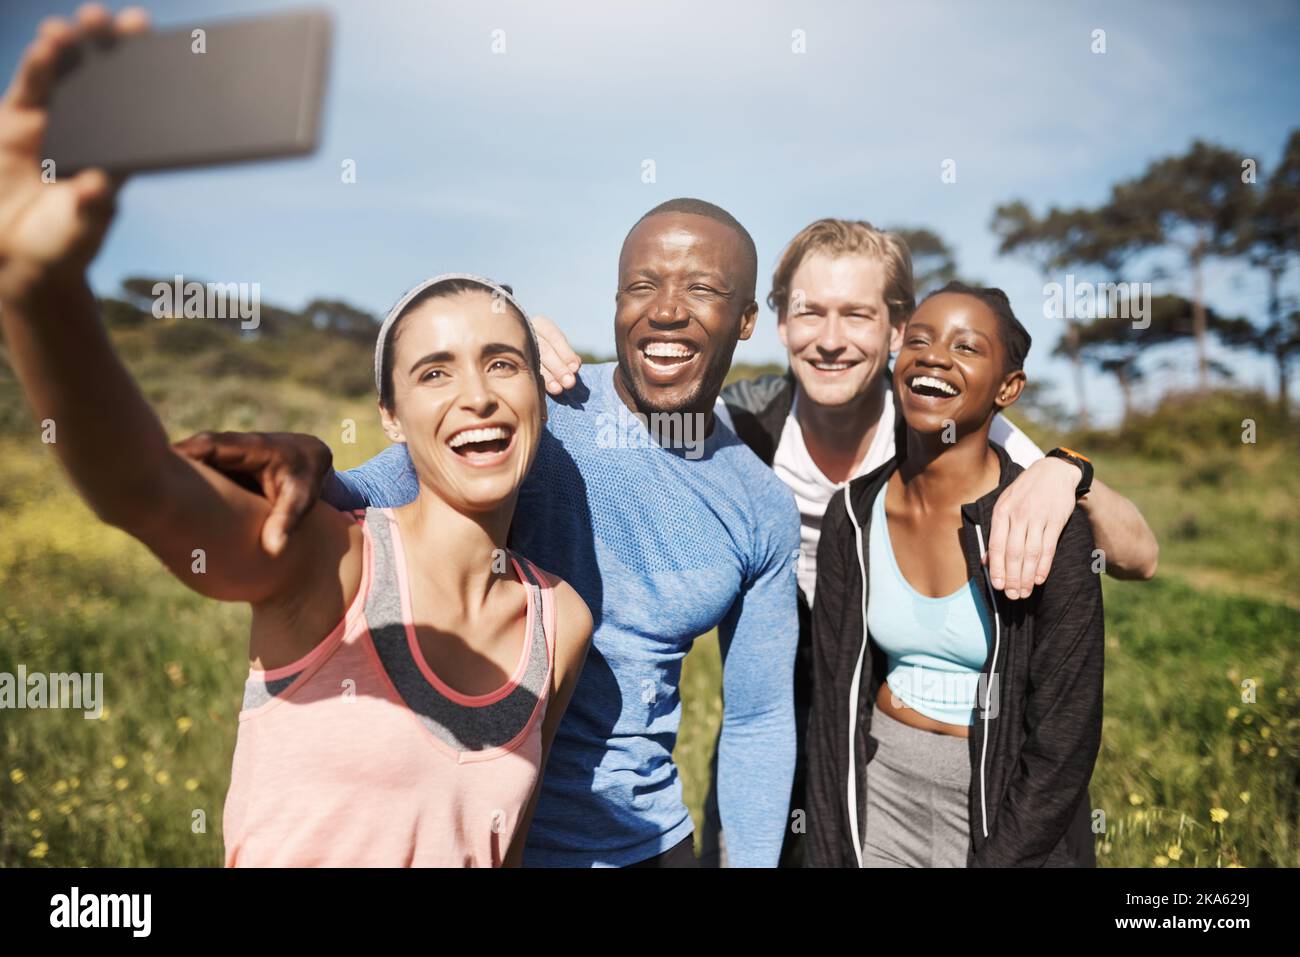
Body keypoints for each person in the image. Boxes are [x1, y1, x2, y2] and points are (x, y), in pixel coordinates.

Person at [0, 6, 591, 867]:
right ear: (389, 417)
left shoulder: (560, 618)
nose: (478, 397)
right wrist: (39, 291)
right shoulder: (329, 560)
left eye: (503, 364)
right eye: (434, 373)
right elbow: (144, 490)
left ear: (537, 389)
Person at [502, 218, 1158, 865]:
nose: (831, 340)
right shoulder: (736, 426)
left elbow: (1140, 556)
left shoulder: (940, 424)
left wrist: (1070, 470)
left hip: (874, 712)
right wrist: (499, 346)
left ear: (897, 332)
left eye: (858, 315)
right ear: (778, 322)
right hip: (780, 693)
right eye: (810, 312)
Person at [181, 198, 803, 867]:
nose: (668, 310)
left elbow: (756, 720)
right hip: (485, 839)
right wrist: (303, 457)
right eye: (643, 286)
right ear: (616, 300)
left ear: (746, 320)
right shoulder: (534, 413)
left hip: (649, 843)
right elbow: (358, 500)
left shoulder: (760, 505)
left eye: (703, 288)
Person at [806, 282, 1105, 867]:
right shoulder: (852, 516)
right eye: (918, 340)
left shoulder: (1047, 522)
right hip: (882, 789)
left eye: (966, 348)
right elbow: (831, 703)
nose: (935, 356)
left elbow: (1066, 733)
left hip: (1004, 802)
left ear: (1008, 388)